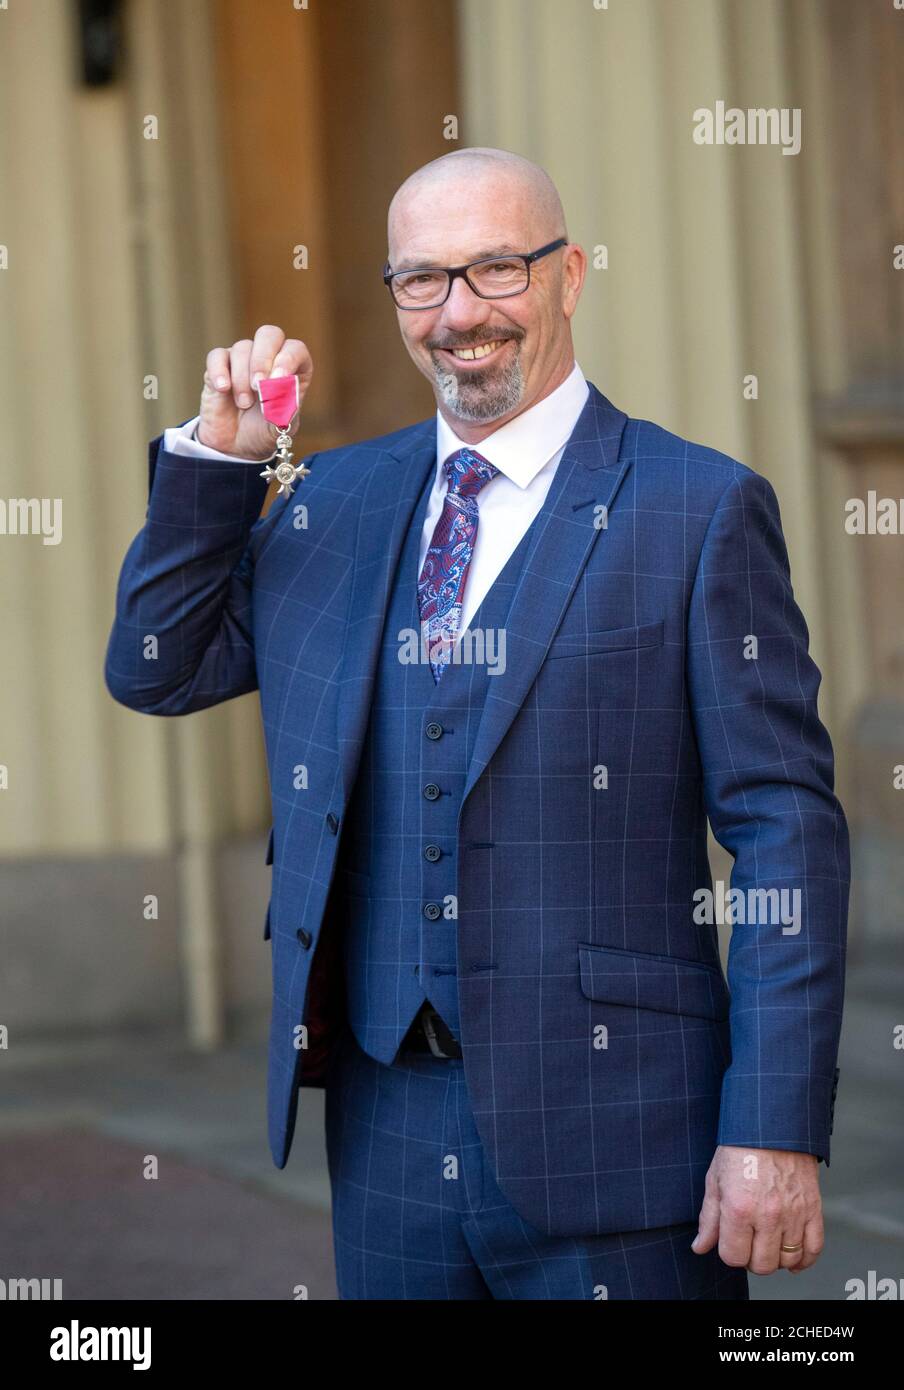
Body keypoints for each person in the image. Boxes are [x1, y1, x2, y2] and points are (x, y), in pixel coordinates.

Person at [105, 147, 849, 1300]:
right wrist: (220, 462)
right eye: (422, 278)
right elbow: (157, 668)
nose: (459, 313)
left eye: (498, 268)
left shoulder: (696, 509)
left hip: (622, 1132)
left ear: (569, 275)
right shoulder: (328, 502)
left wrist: (771, 1124)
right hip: (387, 1127)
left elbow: (783, 831)